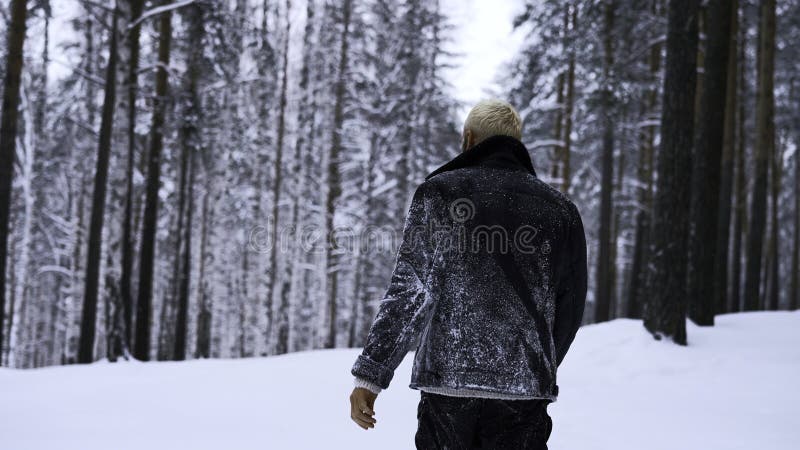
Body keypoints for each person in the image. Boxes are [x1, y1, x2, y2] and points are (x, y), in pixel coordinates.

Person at [348, 99, 588, 449]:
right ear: (516, 142)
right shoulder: (560, 210)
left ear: (469, 138)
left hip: (448, 385)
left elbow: (410, 290)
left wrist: (370, 377)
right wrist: (537, 362)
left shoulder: (440, 194)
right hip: (523, 392)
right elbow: (571, 306)